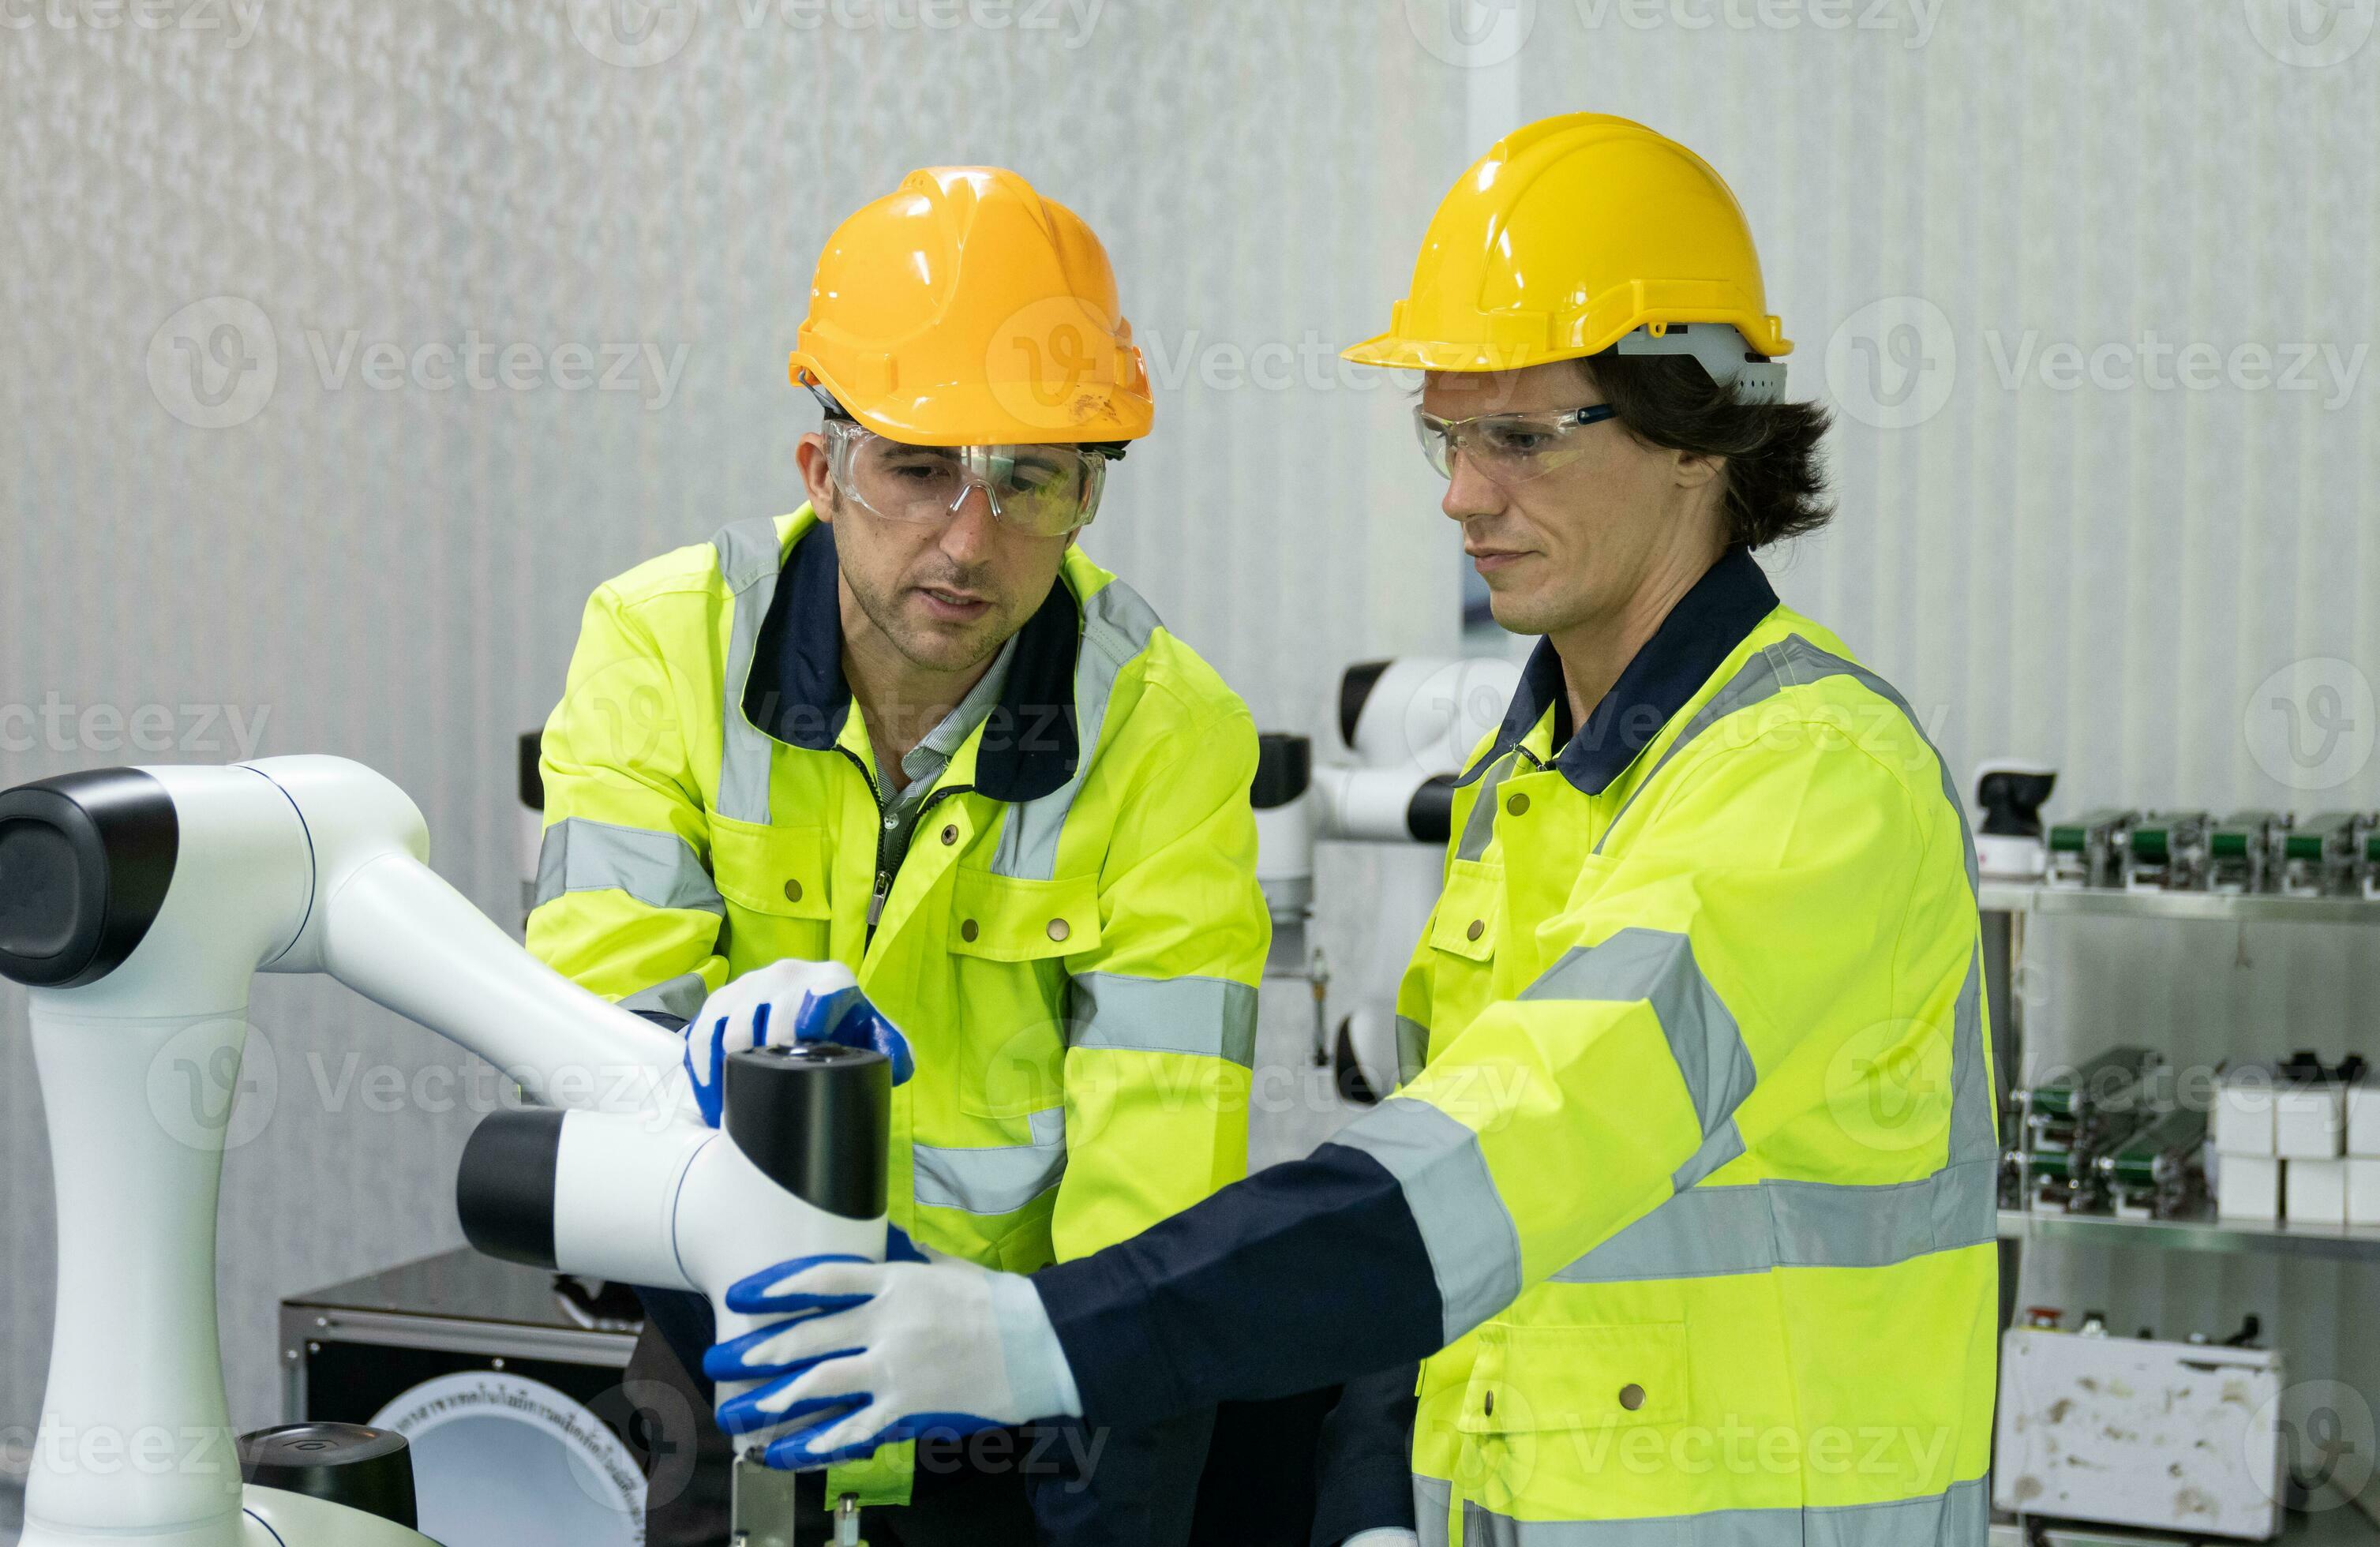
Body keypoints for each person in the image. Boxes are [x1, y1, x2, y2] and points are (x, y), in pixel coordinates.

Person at [703, 115, 2000, 1547]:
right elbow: (1447, 1220)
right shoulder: (1539, 779)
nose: (1459, 494)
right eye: (1445, 433)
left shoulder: (1813, 778)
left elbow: (1509, 1159)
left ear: (1694, 430)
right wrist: (1377, 1500)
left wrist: (1033, 1337)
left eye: (1519, 436)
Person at [528, 165, 1271, 1545]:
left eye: (1032, 479)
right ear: (825, 471)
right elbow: (593, 1049)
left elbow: (1156, 1196)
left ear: (1088, 492)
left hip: (1022, 1395)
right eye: (920, 468)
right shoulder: (661, 647)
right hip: (724, 1345)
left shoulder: (1170, 732)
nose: (970, 537)